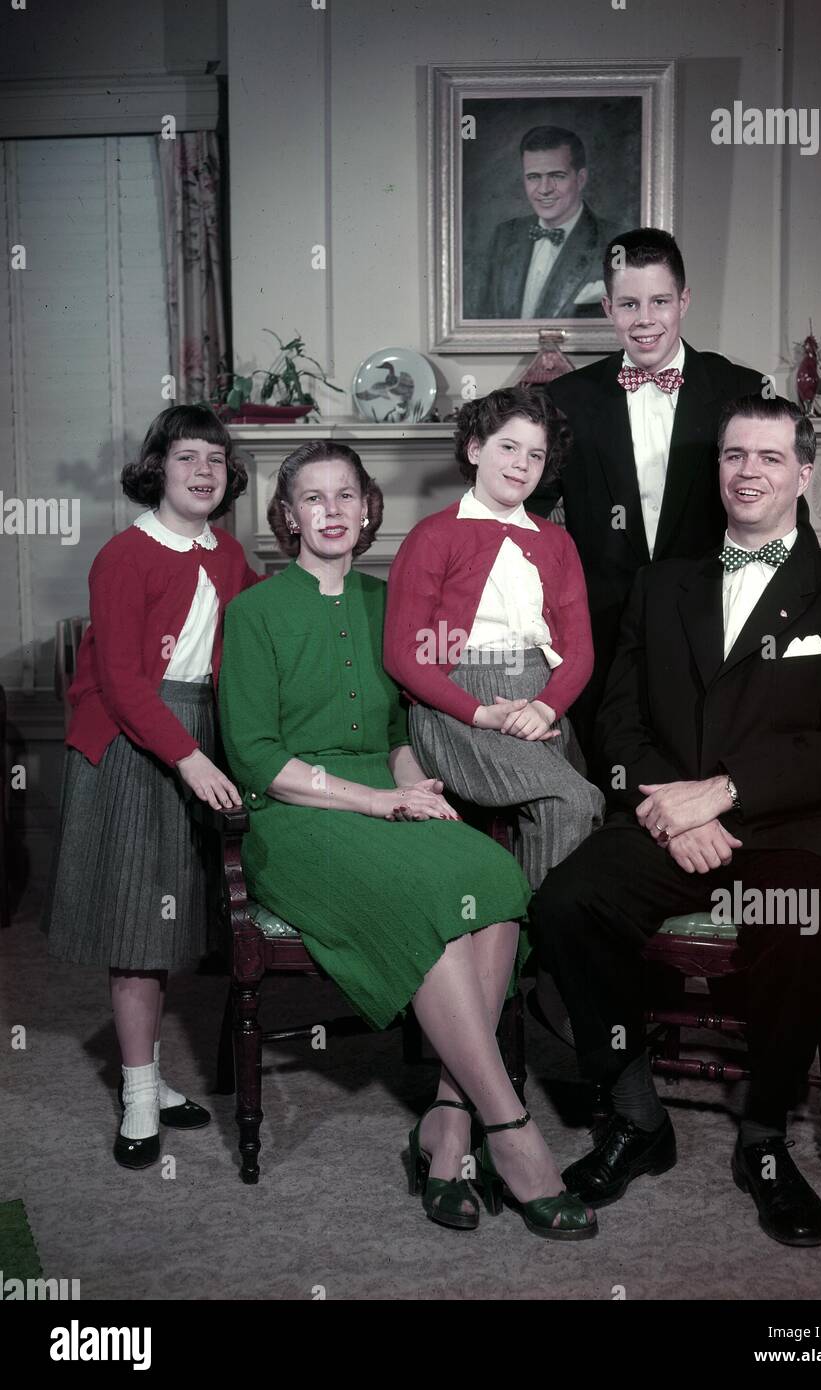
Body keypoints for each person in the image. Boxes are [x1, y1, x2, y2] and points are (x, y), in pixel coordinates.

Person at [529, 395, 821, 1247]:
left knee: (800, 925)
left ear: (804, 473)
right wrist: (673, 805)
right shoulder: (664, 586)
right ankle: (635, 1117)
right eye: (734, 455)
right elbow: (615, 719)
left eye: (769, 457)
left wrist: (722, 793)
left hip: (793, 828)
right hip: (670, 812)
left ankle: (764, 1138)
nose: (747, 471)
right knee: (565, 903)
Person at [218, 438, 596, 1240]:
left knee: (491, 877)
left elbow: (398, 725)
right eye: (311, 499)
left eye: (345, 497)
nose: (331, 512)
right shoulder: (251, 612)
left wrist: (411, 783)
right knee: (426, 898)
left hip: (385, 792)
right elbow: (254, 757)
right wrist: (375, 802)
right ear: (286, 517)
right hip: (297, 815)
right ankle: (509, 1128)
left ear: (366, 511)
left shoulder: (382, 599)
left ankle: (446, 1125)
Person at [43, 405, 260, 1170]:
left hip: (202, 727)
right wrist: (189, 760)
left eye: (214, 459)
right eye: (185, 458)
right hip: (136, 742)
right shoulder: (124, 556)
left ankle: (152, 1073)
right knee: (138, 929)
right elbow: (124, 683)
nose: (202, 471)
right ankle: (138, 1092)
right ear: (156, 471)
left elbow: (257, 641)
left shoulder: (230, 554)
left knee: (172, 923)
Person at [384, 386, 605, 1043]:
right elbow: (404, 656)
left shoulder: (555, 543)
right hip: (455, 704)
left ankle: (514, 975)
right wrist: (480, 714)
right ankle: (544, 976)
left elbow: (578, 651)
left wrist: (544, 706)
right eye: (507, 446)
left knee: (579, 809)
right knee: (572, 800)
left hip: (536, 704)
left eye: (534, 455)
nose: (519, 463)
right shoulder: (433, 536)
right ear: (475, 449)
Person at [528, 227, 790, 769]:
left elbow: (784, 515)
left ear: (684, 301)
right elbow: (527, 512)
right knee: (606, 790)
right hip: (596, 635)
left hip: (711, 628)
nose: (644, 319)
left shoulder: (741, 388)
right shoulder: (566, 399)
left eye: (660, 301)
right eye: (628, 303)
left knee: (696, 775)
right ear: (608, 307)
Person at [474, 126, 618, 320]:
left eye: (557, 176)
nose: (544, 189)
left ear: (581, 179)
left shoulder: (615, 241)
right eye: (534, 177)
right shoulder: (504, 236)